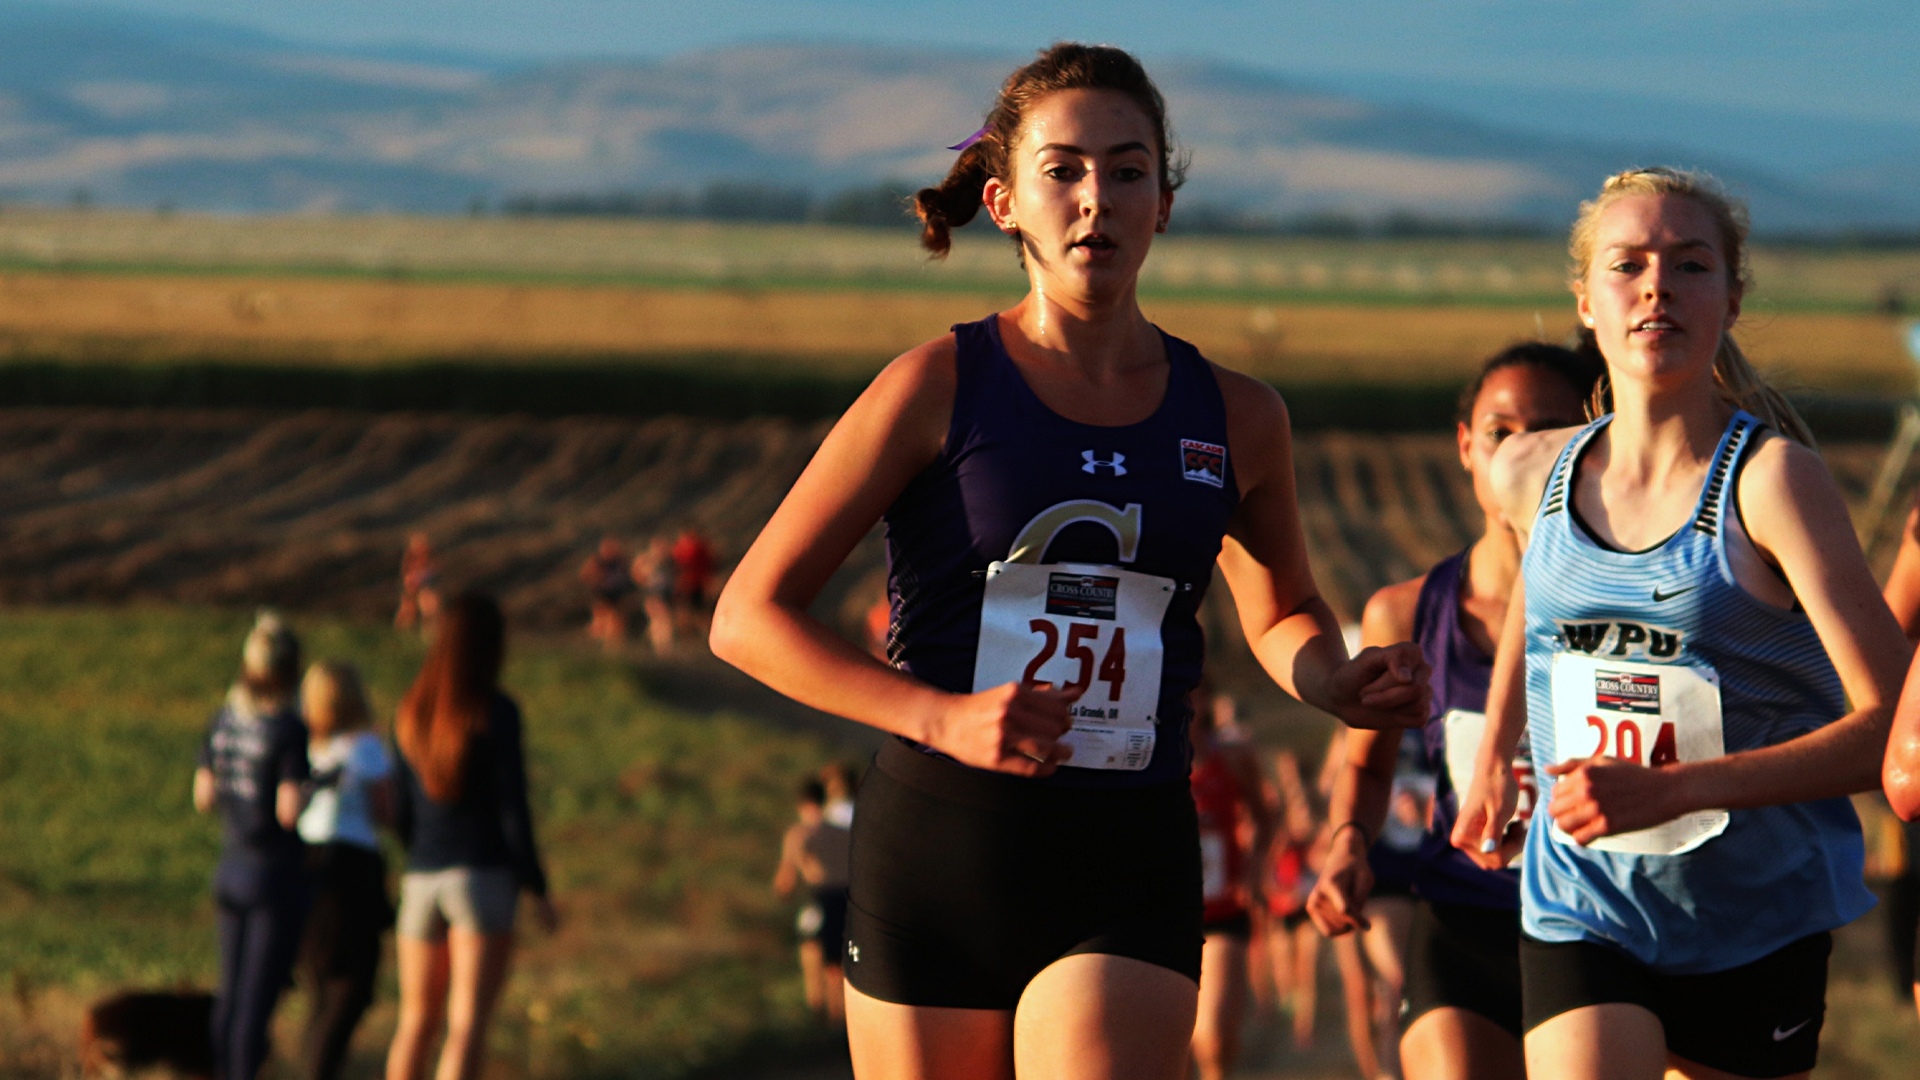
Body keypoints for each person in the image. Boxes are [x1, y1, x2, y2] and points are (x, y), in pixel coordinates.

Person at [708, 42, 1429, 1080]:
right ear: (1004, 201)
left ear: (1164, 205)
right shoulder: (933, 386)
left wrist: (1335, 680)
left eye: (1129, 171)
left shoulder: (1239, 415)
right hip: (940, 842)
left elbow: (1283, 613)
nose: (1098, 199)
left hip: (1126, 846)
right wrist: (943, 716)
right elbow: (748, 616)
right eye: (1065, 171)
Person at [1454, 167, 1908, 1080]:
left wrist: (1679, 788)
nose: (1658, 286)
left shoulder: (1773, 484)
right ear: (1586, 301)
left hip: (1755, 916)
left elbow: (1895, 733)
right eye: (1629, 265)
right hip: (1582, 896)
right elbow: (1538, 620)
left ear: (1732, 299)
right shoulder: (1533, 471)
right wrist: (1497, 760)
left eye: (1690, 264)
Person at [1306, 344, 1599, 1080]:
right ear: (1466, 447)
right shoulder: (1403, 611)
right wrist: (1347, 845)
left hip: (1601, 926)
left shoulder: (1630, 611)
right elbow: (1364, 767)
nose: (1521, 452)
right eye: (1501, 431)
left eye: (1552, 430)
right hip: (1462, 917)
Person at [386, 593, 559, 1080]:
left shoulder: (409, 713)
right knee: (466, 1025)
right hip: (481, 879)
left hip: (421, 879)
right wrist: (537, 886)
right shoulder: (496, 713)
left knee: (414, 1022)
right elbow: (513, 809)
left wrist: (419, 854)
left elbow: (400, 811)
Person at [193, 610, 311, 1080]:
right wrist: (312, 788)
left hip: (230, 868)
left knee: (230, 995)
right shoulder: (287, 729)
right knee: (255, 1005)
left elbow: (203, 797)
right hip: (272, 877)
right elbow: (288, 812)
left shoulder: (222, 720)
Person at [295, 660, 395, 1080]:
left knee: (319, 985)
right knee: (351, 988)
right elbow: (386, 811)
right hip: (351, 868)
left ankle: (313, 1067)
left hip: (302, 863)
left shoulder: (302, 746)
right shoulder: (365, 748)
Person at [1187, 689, 1274, 1080]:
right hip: (1158, 911)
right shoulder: (1142, 754)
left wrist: (1254, 867)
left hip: (1222, 911)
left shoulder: (1231, 756)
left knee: (1215, 1039)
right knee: (1170, 1048)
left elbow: (1266, 816)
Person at [775, 779, 854, 1025]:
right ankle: (838, 1013)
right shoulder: (843, 833)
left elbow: (784, 881)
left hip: (819, 897)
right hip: (845, 898)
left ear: (801, 805)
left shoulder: (800, 834)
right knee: (836, 961)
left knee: (811, 951)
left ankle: (817, 1006)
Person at [1261, 750, 1324, 1052]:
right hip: (1281, 904)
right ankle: (1289, 1010)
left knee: (1308, 969)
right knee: (1285, 972)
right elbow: (1268, 864)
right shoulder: (1275, 811)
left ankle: (1305, 1031)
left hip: (1306, 900)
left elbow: (1320, 844)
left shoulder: (1312, 806)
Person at [580, 537, 634, 649]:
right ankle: (595, 642)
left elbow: (628, 575)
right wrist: (596, 580)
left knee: (617, 619)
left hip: (618, 593)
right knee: (602, 618)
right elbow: (585, 574)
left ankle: (612, 645)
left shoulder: (621, 560)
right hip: (602, 592)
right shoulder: (597, 561)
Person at [632, 536, 679, 655]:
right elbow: (635, 573)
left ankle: (656, 644)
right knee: (661, 617)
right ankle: (661, 646)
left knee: (662, 619)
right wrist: (644, 581)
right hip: (653, 592)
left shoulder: (668, 560)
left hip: (666, 593)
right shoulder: (645, 559)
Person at [672, 527, 717, 638]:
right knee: (698, 611)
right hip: (697, 583)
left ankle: (689, 636)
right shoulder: (702, 546)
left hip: (689, 584)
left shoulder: (685, 548)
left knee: (688, 611)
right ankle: (703, 635)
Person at [396, 533, 441, 633]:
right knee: (408, 610)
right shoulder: (409, 562)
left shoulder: (429, 561)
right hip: (412, 590)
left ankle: (430, 632)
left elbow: (433, 574)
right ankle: (403, 631)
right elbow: (407, 580)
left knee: (430, 606)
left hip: (425, 589)